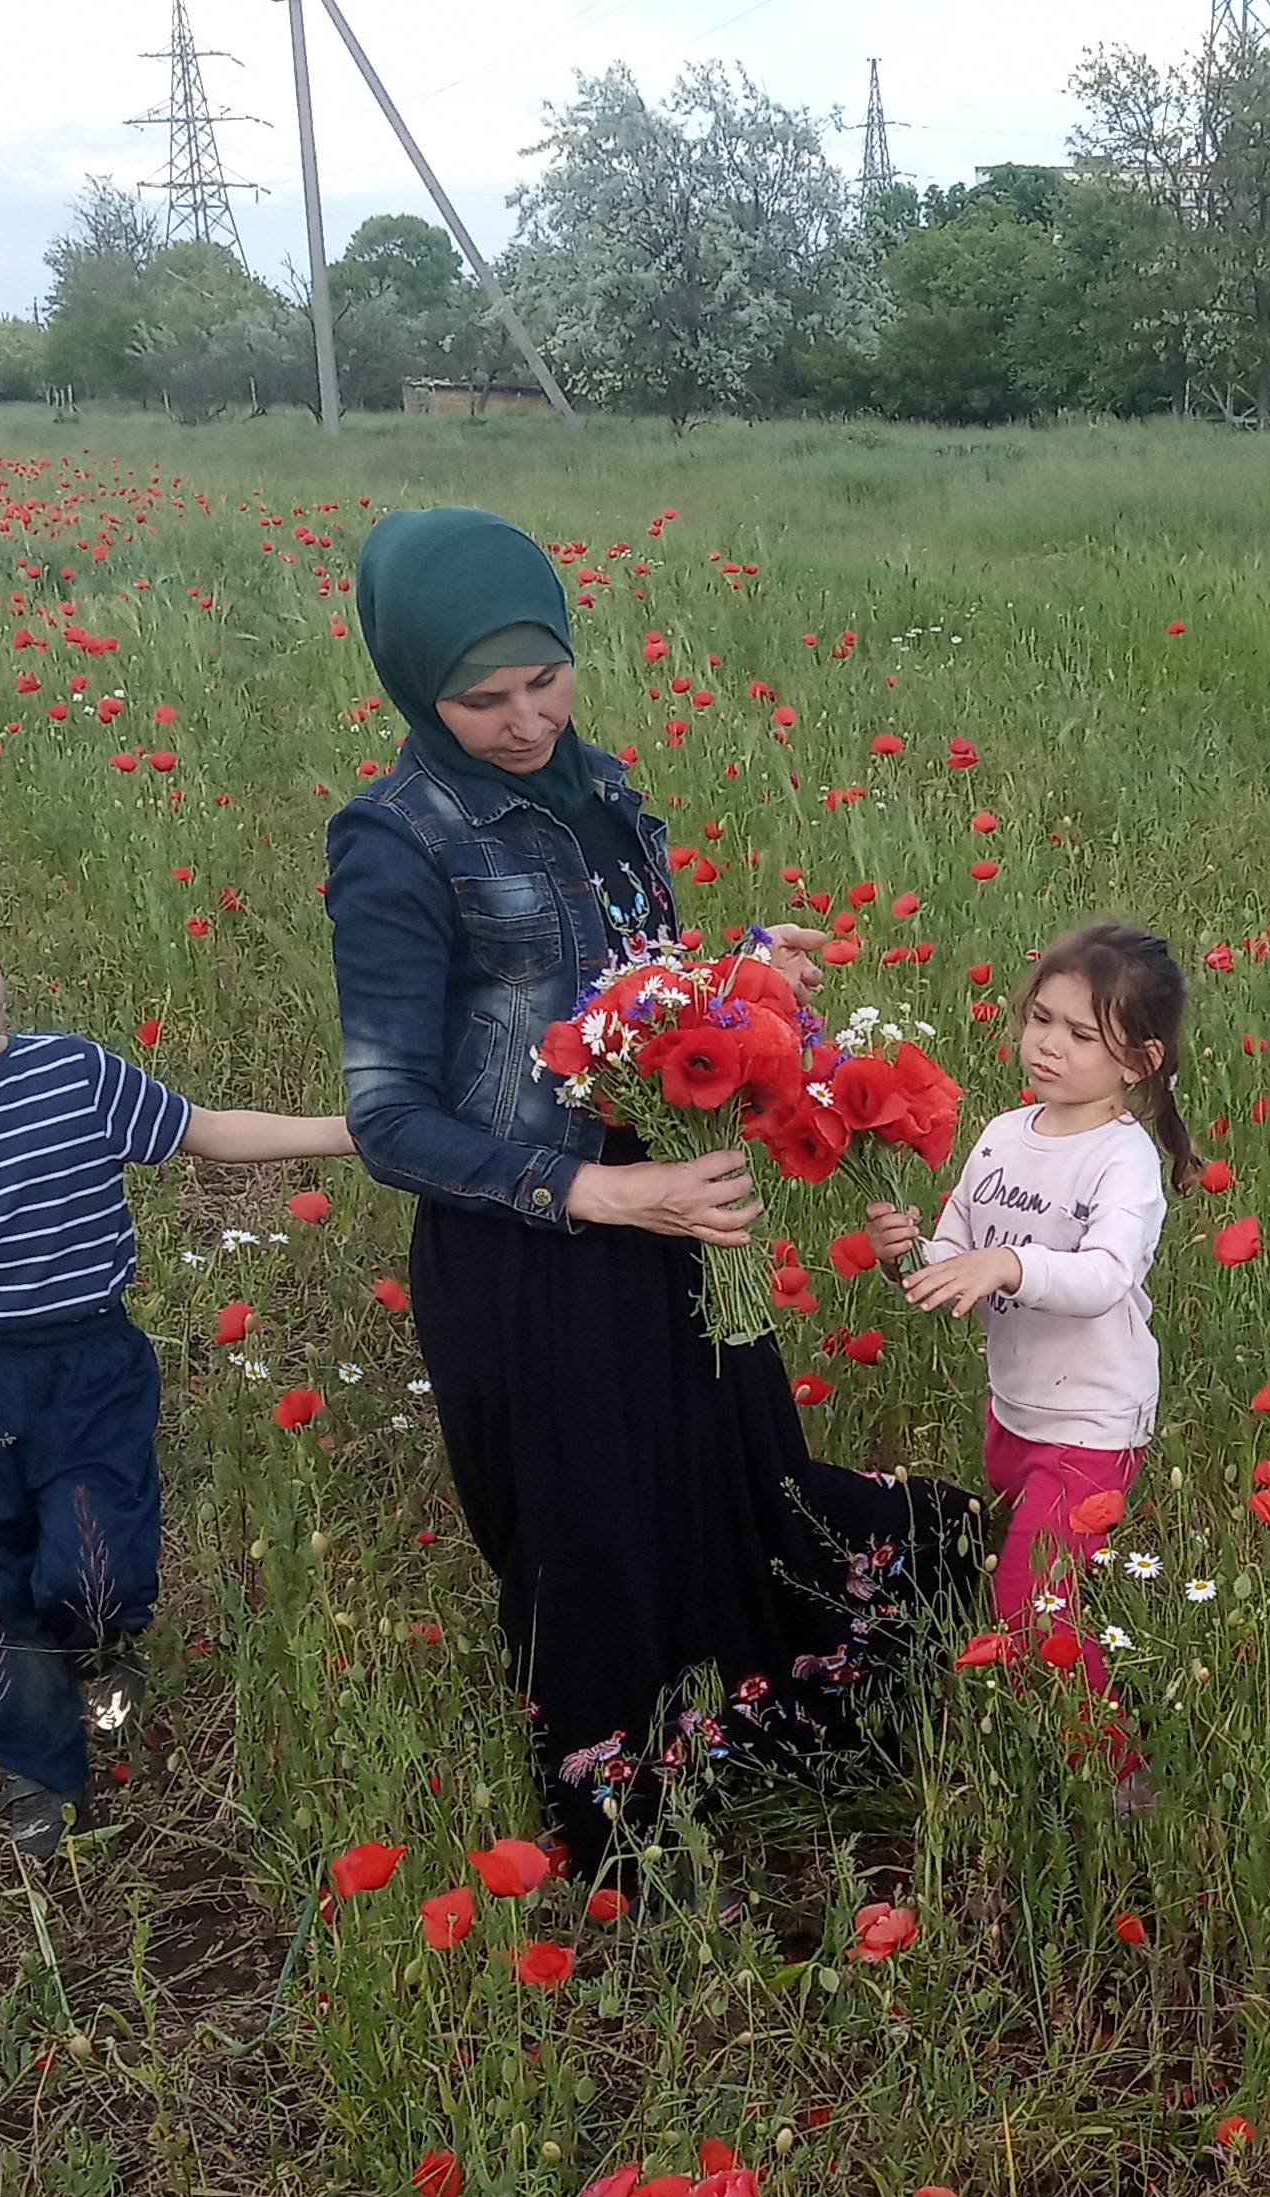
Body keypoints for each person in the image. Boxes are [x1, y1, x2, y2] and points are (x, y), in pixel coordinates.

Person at [327, 505, 974, 1872]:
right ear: (412, 686)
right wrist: (606, 1197)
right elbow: (390, 1124)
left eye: (544, 679)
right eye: (482, 697)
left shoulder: (605, 789)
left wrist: (742, 975)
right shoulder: (394, 840)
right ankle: (632, 1844)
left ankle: (752, 1728)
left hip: (672, 1202)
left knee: (730, 1476)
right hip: (532, 1250)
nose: (523, 721)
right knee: (595, 1538)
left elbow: (628, 983)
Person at [0, 860, 357, 1860]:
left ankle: (104, 1645)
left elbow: (207, 1132)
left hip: (89, 1361)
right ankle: (36, 1767)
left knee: (91, 1557)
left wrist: (358, 1132)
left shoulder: (72, 1071)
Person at [863, 925, 1188, 1705]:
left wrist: (1007, 1264)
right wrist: (901, 1251)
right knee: (1037, 1580)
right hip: (1014, 1413)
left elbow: (1106, 1276)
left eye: (1081, 1034)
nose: (1048, 1045)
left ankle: (1112, 1775)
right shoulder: (1004, 1135)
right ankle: (1048, 1728)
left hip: (1094, 1423)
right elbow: (955, 1258)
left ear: (1139, 1063)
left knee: (1030, 1604)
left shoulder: (1123, 1160)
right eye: (1041, 1019)